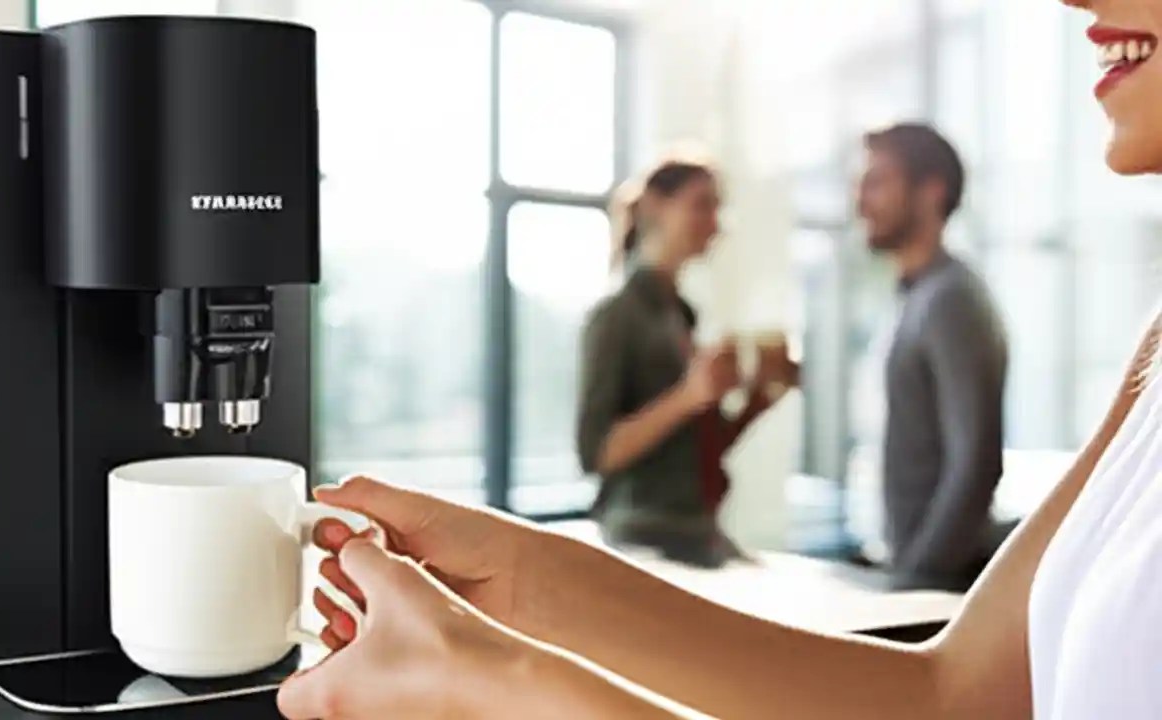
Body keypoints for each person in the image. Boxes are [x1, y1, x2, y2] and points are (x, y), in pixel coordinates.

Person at [278, 0, 1162, 716]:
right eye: (704, 205)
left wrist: (494, 678)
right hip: (657, 540)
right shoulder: (1153, 341)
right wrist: (521, 581)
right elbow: (945, 695)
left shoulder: (935, 304)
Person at [576, 158, 793, 567]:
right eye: (702, 204)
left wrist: (757, 400)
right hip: (644, 538)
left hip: (695, 530)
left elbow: (693, 451)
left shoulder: (682, 314)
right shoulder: (615, 315)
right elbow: (596, 453)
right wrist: (689, 396)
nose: (716, 223)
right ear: (656, 206)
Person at [856, 123, 1010, 591]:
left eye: (877, 182)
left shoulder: (951, 299)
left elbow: (975, 465)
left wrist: (915, 583)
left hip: (935, 589)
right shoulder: (915, 296)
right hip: (908, 571)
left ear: (931, 192)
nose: (860, 201)